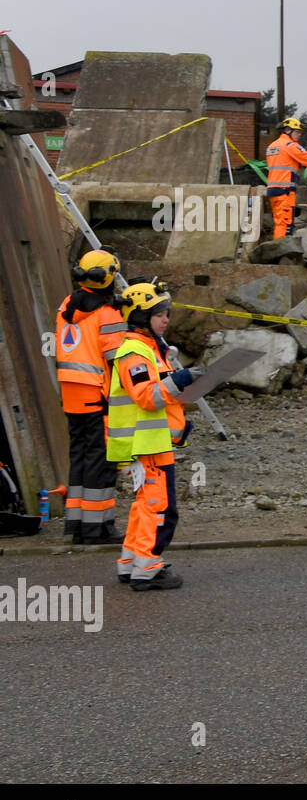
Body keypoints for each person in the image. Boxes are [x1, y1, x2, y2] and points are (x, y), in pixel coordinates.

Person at [108, 283, 198, 591]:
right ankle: (148, 569)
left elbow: (161, 400)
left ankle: (131, 562)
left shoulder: (149, 349)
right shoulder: (135, 352)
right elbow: (147, 397)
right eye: (158, 314)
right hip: (146, 448)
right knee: (159, 509)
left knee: (146, 506)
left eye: (166, 313)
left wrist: (180, 429)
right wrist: (181, 380)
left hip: (154, 445)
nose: (165, 319)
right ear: (140, 317)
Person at [54, 249, 128, 545]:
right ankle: (98, 528)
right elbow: (117, 358)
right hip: (97, 392)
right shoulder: (107, 313)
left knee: (80, 457)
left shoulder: (67, 304)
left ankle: (77, 525)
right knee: (101, 460)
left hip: (71, 393)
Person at [265, 117, 307, 239]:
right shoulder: (290, 145)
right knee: (286, 225)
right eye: (297, 132)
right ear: (288, 131)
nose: (299, 135)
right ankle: (281, 251)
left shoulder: (272, 146)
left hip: (273, 190)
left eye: (300, 132)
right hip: (285, 191)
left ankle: (276, 250)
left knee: (279, 223)